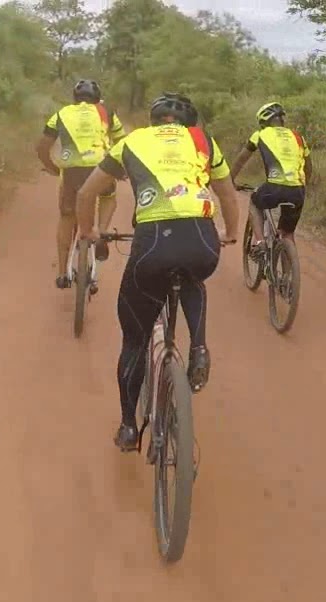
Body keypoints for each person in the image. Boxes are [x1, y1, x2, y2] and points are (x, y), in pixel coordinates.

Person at [73, 93, 241, 451]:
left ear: (154, 120)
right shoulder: (203, 140)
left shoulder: (133, 140)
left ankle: (129, 426)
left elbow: (87, 194)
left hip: (152, 244)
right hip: (201, 240)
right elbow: (228, 196)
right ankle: (198, 346)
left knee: (134, 340)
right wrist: (230, 233)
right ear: (187, 122)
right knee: (193, 275)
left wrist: (89, 231)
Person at [35, 79, 126, 293]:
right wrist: (120, 169)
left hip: (72, 169)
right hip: (101, 167)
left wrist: (54, 168)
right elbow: (123, 143)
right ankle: (101, 233)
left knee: (67, 216)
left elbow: (42, 147)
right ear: (97, 99)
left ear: (75, 99)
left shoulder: (61, 114)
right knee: (108, 196)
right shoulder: (107, 113)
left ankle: (62, 273)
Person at [228, 101, 312, 250]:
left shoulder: (260, 134)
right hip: (298, 190)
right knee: (287, 234)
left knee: (255, 202)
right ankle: (288, 272)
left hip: (274, 187)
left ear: (263, 122)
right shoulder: (298, 137)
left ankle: (260, 243)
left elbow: (241, 160)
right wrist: (303, 184)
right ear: (281, 119)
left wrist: (231, 180)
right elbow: (308, 166)